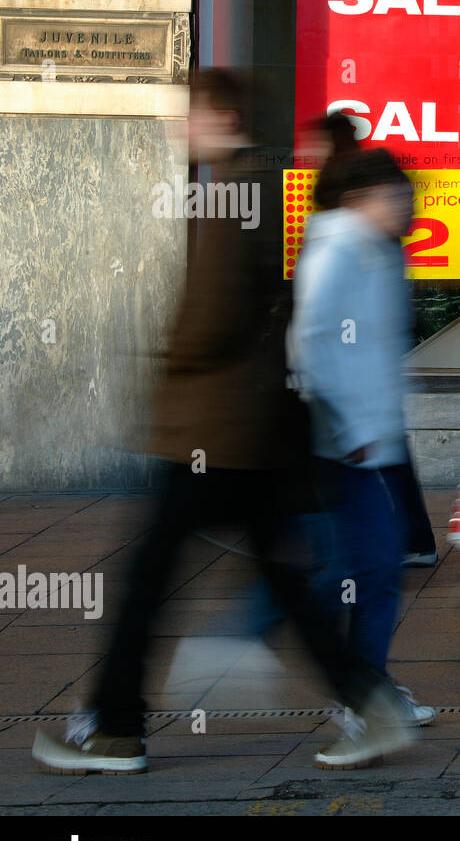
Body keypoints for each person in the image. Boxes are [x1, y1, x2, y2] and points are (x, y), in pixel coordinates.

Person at [32, 70, 416, 774]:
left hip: (212, 429)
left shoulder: (237, 191)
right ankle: (370, 702)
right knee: (286, 588)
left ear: (224, 115)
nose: (183, 128)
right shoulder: (260, 187)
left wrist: (167, 369)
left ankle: (117, 728)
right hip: (245, 434)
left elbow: (213, 318)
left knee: (149, 578)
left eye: (191, 115)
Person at [288, 147, 436, 724]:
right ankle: (360, 694)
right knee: (366, 568)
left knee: (358, 569)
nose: (408, 208)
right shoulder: (340, 251)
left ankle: (363, 688)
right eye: (396, 197)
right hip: (342, 446)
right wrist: (348, 426)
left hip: (369, 441)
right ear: (357, 200)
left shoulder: (378, 252)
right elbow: (311, 341)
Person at [312, 113, 440, 568]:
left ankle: (406, 543)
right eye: (400, 198)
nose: (409, 209)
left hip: (359, 402)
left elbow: (320, 331)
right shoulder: (354, 237)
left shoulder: (349, 208)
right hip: (360, 402)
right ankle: (410, 541)